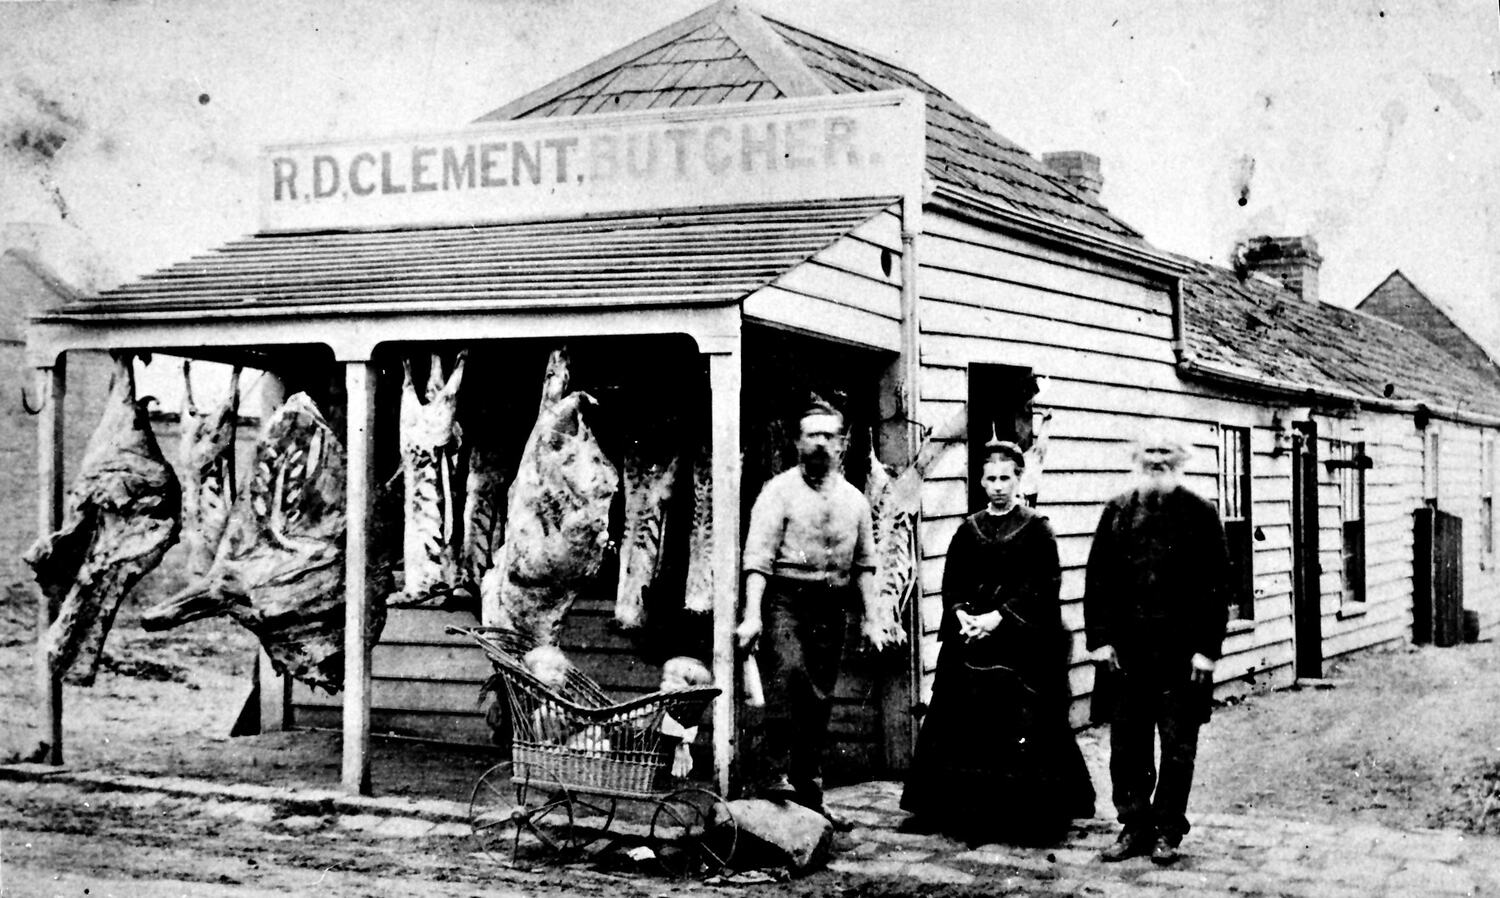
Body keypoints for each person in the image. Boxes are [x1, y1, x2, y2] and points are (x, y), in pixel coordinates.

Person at [899, 440, 1094, 846]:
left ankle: (1028, 815)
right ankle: (949, 807)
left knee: (1023, 720)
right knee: (958, 716)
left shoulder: (1037, 528)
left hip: (1020, 643)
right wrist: (961, 615)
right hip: (971, 638)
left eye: (1006, 478)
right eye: (991, 478)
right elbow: (951, 582)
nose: (999, 486)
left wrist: (999, 618)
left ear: (1019, 480)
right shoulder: (968, 529)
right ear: (982, 482)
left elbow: (1043, 586)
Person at [736, 399, 891, 823]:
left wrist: (872, 619)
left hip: (832, 606)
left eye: (828, 435)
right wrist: (752, 615)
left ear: (842, 444)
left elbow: (864, 565)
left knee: (820, 700)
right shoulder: (778, 492)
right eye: (811, 435)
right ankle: (772, 776)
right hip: (786, 601)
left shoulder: (855, 500)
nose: (820, 443)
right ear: (796, 441)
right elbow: (757, 559)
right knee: (787, 679)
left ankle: (810, 796)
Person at [1084, 428, 1230, 866]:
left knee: (1177, 745)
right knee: (1127, 744)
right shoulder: (1118, 511)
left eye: (1166, 451)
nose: (1157, 459)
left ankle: (1168, 829)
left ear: (1181, 459)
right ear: (1136, 457)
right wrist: (1101, 640)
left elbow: (1218, 587)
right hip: (1127, 654)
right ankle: (1134, 825)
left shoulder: (1200, 513)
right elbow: (1098, 581)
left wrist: (1207, 649)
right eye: (1149, 451)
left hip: (1182, 656)